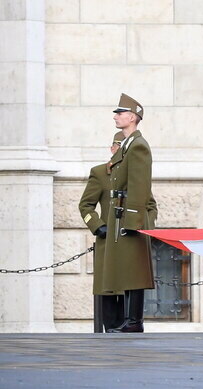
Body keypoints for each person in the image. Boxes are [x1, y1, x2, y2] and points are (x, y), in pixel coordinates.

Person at [101, 95, 155, 333]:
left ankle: (134, 321)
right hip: (120, 212)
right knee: (127, 267)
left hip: (129, 214)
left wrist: (132, 219)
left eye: (120, 113)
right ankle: (129, 320)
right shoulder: (128, 144)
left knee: (134, 268)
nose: (115, 116)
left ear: (132, 117)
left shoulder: (138, 145)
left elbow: (139, 185)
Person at [80, 132, 124, 332]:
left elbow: (150, 205)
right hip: (107, 242)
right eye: (118, 146)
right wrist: (98, 226)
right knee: (107, 292)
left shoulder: (136, 175)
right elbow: (86, 206)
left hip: (130, 242)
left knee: (129, 290)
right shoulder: (99, 173)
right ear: (112, 148)